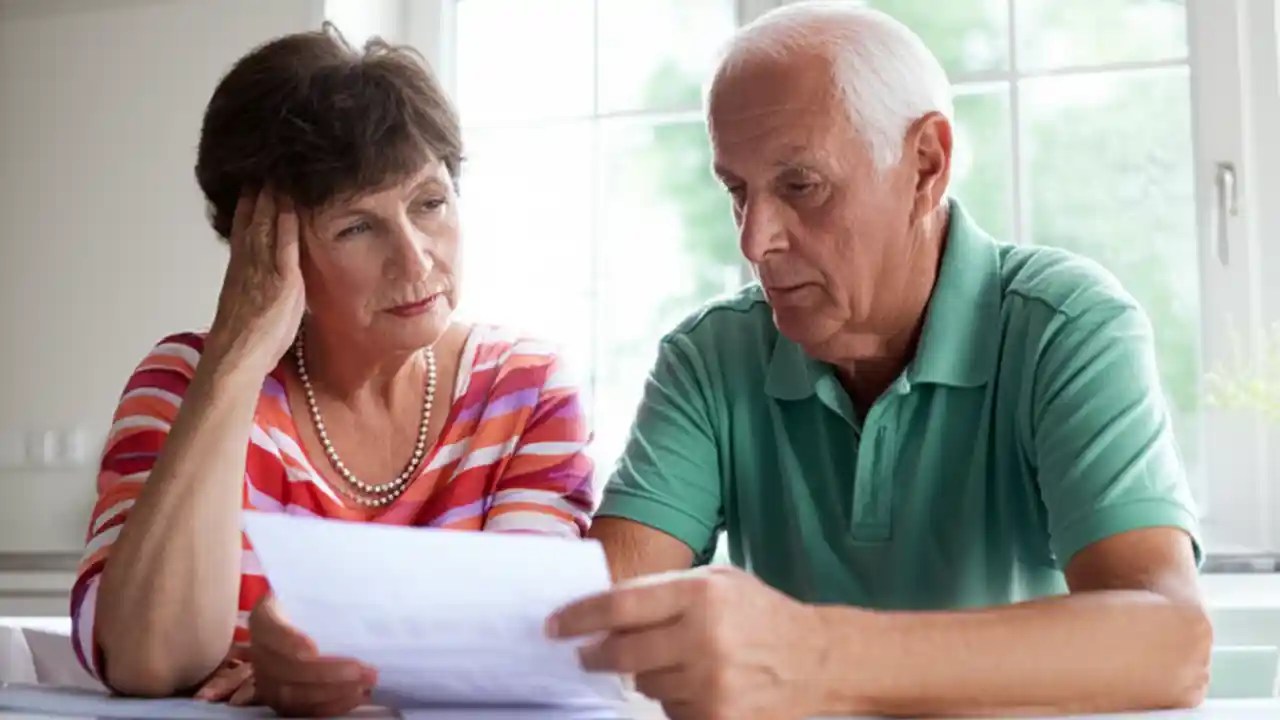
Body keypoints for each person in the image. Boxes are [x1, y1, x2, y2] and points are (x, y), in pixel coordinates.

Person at [549, 4, 1210, 719]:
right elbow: (591, 622)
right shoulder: (711, 356)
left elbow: (1171, 646)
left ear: (925, 165)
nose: (754, 240)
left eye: (801, 185)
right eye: (737, 192)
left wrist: (815, 656)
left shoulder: (1066, 325)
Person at [71, 25, 596, 718]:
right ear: (265, 248)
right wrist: (236, 359)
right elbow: (146, 658)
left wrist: (320, 670)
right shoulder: (185, 381)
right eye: (356, 227)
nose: (415, 259)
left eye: (430, 203)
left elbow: (524, 649)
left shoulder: (527, 390)